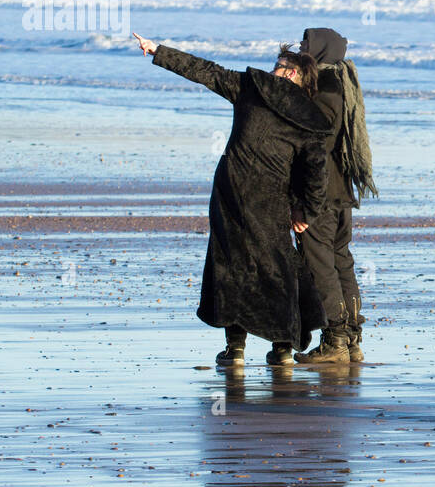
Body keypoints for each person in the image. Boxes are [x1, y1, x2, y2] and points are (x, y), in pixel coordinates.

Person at [132, 31, 331, 367]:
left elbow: (204, 71)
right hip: (272, 196)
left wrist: (158, 51)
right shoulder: (310, 118)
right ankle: (282, 349)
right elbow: (316, 172)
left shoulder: (250, 87)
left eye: (278, 64)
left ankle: (236, 350)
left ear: (292, 71)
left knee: (231, 263)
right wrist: (306, 211)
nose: (272, 69)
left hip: (232, 188)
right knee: (277, 266)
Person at [291, 27, 377, 365]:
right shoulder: (342, 81)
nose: (300, 50)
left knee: (322, 263)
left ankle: (336, 340)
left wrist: (301, 200)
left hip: (320, 193)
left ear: (320, 50)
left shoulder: (324, 85)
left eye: (305, 45)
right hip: (340, 190)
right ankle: (352, 337)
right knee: (341, 260)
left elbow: (320, 136)